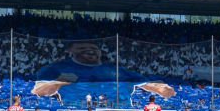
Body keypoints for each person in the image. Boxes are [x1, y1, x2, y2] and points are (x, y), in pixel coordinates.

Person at [31, 40, 174, 104]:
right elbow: (38, 90)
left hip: (120, 109)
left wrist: (160, 89)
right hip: (77, 108)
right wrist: (58, 81)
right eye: (83, 48)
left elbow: (147, 84)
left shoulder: (119, 71)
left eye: (94, 48)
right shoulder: (56, 68)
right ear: (71, 50)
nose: (90, 51)